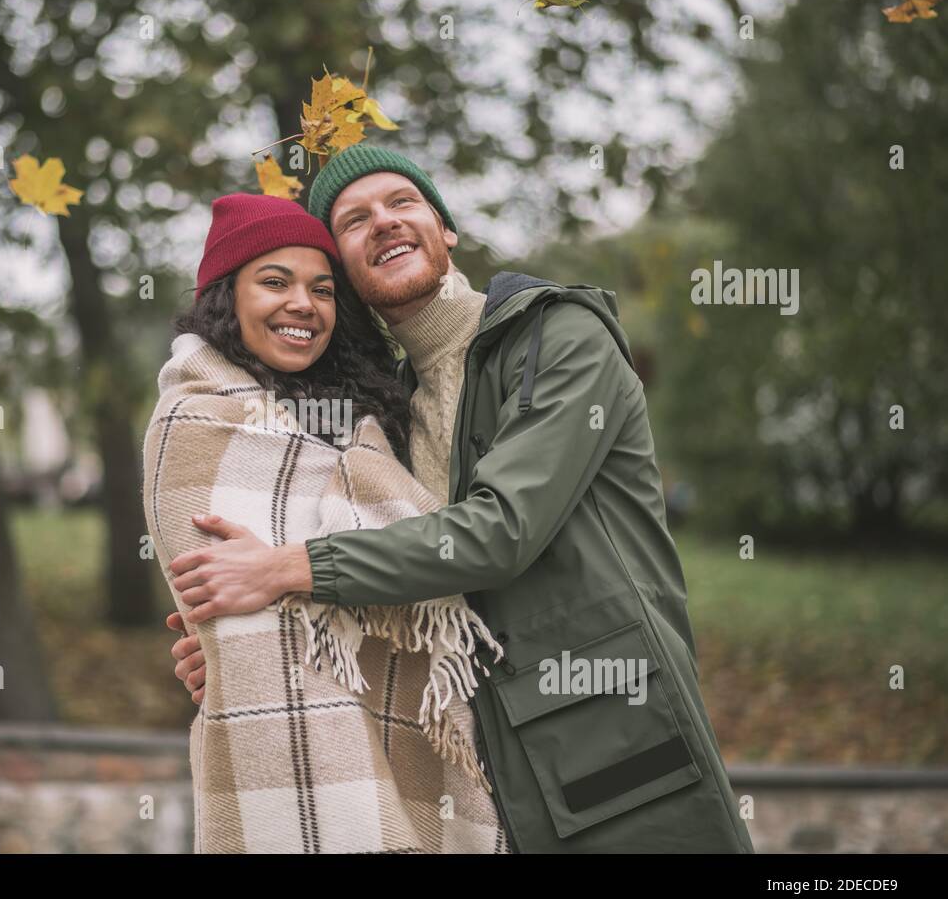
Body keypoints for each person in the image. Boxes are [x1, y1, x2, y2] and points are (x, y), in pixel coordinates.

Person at [167, 145, 757, 853]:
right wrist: (252, 646)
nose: (383, 222)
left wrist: (291, 569)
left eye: (402, 203)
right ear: (347, 277)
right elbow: (407, 594)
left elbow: (501, 532)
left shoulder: (558, 336)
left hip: (615, 741)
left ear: (444, 229)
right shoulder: (387, 410)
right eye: (354, 221)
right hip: (483, 769)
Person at [143, 192, 511, 853]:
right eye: (274, 283)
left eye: (322, 289)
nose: (303, 306)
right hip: (281, 750)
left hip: (392, 736)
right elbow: (244, 617)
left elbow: (418, 565)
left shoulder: (357, 427)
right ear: (225, 297)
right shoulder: (193, 419)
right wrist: (224, 645)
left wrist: (285, 584)